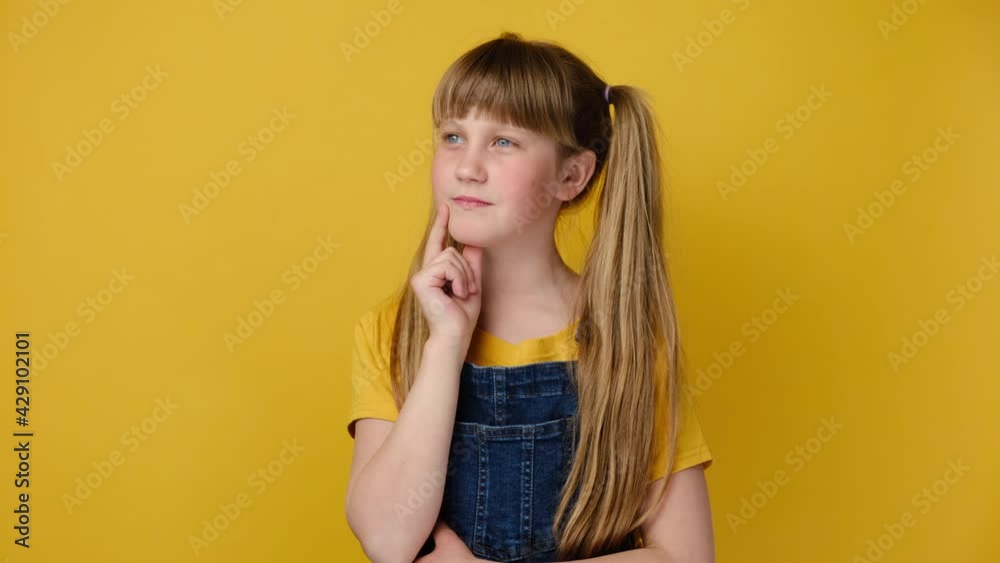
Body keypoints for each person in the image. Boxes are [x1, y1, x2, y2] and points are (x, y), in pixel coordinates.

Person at [345, 32, 715, 563]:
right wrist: (446, 343)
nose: (466, 166)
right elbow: (386, 538)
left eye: (503, 142)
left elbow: (686, 557)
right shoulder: (392, 331)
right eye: (452, 136)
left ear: (571, 175)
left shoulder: (628, 344)